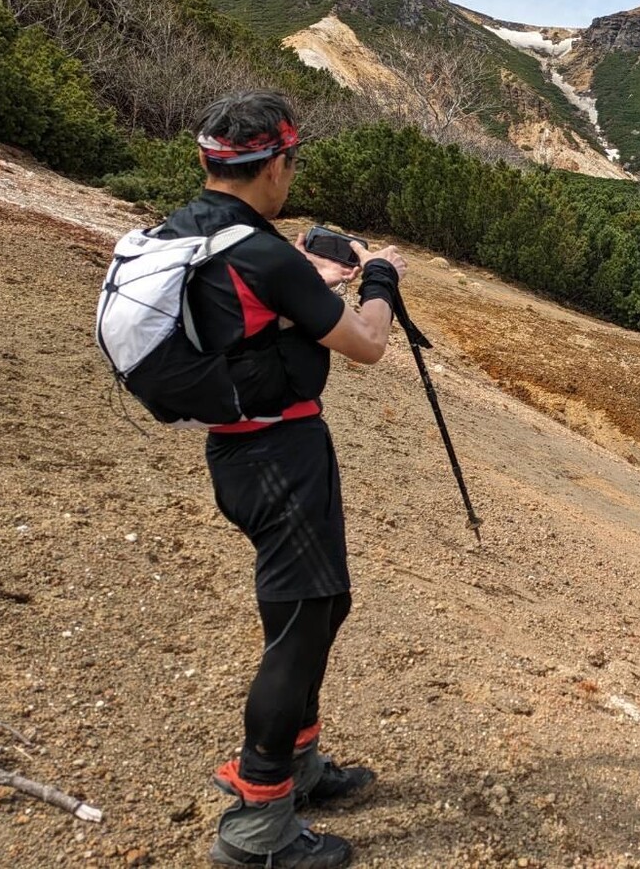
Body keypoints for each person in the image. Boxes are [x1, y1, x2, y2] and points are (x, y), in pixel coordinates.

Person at [153, 91, 408, 868]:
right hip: (278, 455)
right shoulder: (264, 254)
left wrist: (308, 279)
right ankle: (257, 826)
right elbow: (368, 345)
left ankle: (299, 765)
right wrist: (380, 282)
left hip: (243, 449)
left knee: (322, 603)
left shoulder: (189, 232)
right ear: (277, 170)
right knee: (302, 619)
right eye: (292, 163)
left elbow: (245, 313)